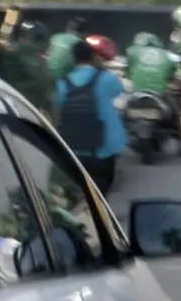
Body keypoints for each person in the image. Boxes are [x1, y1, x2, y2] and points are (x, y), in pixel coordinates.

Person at [51, 38, 129, 193]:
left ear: (73, 59)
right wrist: (101, 67)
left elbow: (58, 107)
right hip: (104, 147)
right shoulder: (105, 78)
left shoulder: (63, 83)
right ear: (93, 57)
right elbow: (119, 90)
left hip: (74, 147)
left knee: (78, 188)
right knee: (102, 190)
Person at [45, 15, 87, 80]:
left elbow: (48, 54)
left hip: (50, 71)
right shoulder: (80, 43)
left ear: (67, 27)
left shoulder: (56, 37)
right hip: (67, 75)